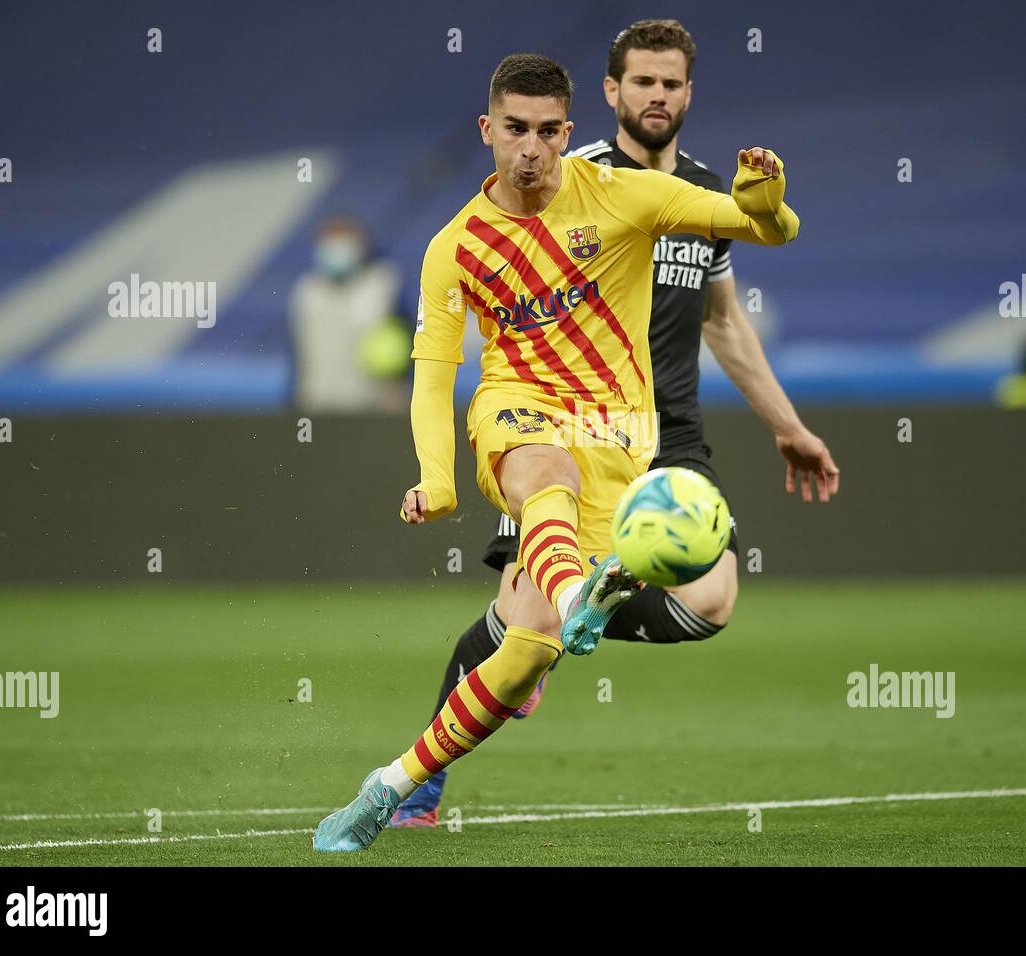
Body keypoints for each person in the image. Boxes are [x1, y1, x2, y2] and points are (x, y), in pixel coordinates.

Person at [314, 50, 801, 852]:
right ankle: (582, 600)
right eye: (514, 130)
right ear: (487, 131)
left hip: (620, 439)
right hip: (518, 415)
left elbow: (765, 230)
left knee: (522, 654)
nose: (530, 149)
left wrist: (767, 204)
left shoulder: (624, 196)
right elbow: (434, 380)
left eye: (546, 131)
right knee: (545, 468)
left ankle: (392, 781)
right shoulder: (456, 247)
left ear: (568, 133)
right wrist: (437, 478)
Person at [289, 215, 406, 412]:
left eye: (344, 243)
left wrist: (402, 385)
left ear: (362, 245)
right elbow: (297, 350)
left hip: (370, 404)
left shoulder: (384, 284)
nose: (336, 250)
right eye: (330, 243)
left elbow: (410, 335)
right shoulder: (306, 290)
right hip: (315, 402)